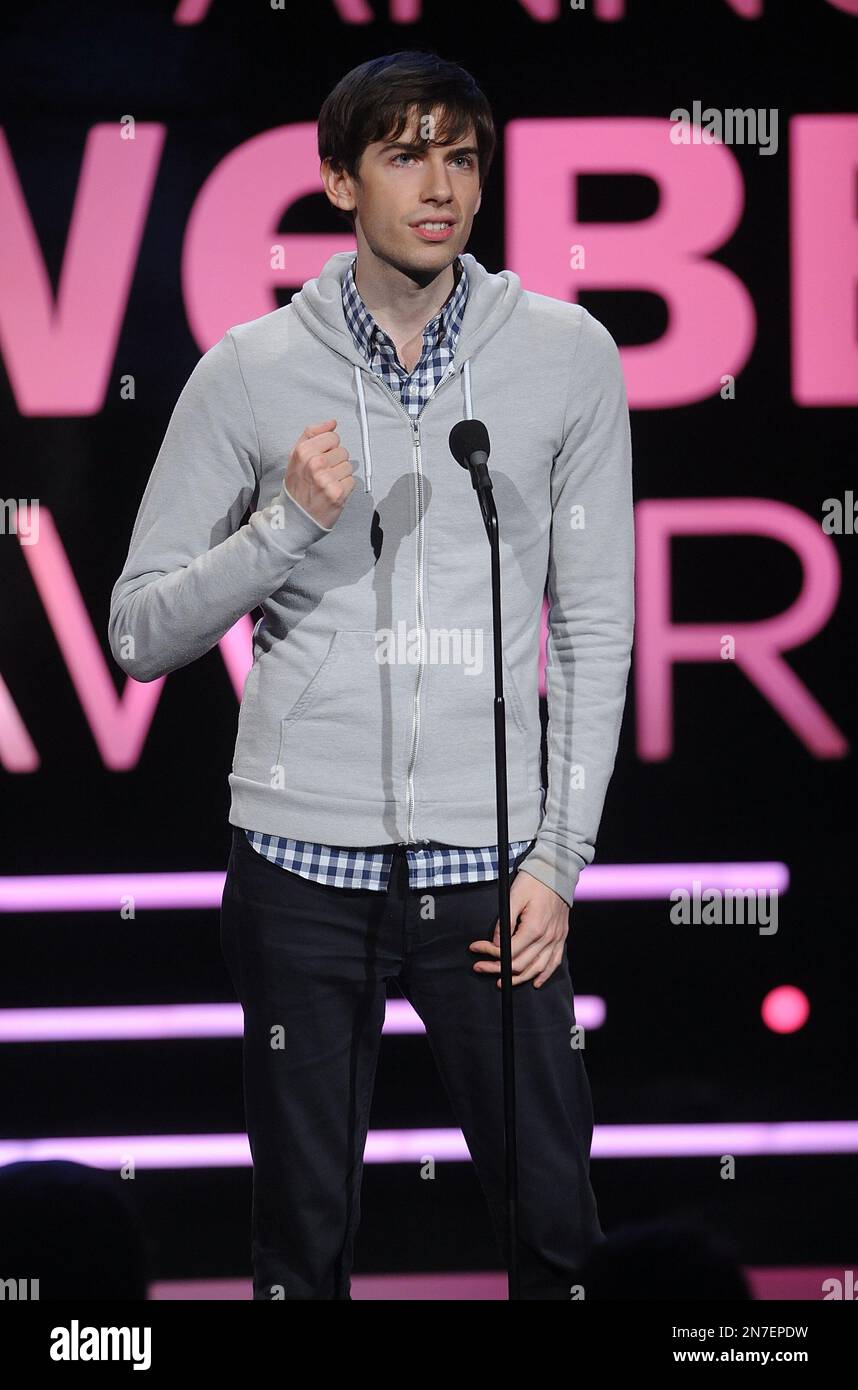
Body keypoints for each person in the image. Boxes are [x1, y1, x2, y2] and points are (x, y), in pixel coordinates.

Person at [108, 49, 635, 1300]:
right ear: (340, 180)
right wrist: (282, 526)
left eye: (461, 157)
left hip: (491, 876)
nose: (440, 185)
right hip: (301, 876)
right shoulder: (247, 369)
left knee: (559, 1238)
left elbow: (596, 626)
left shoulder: (565, 355)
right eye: (406, 154)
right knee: (299, 1253)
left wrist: (558, 860)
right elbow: (137, 633)